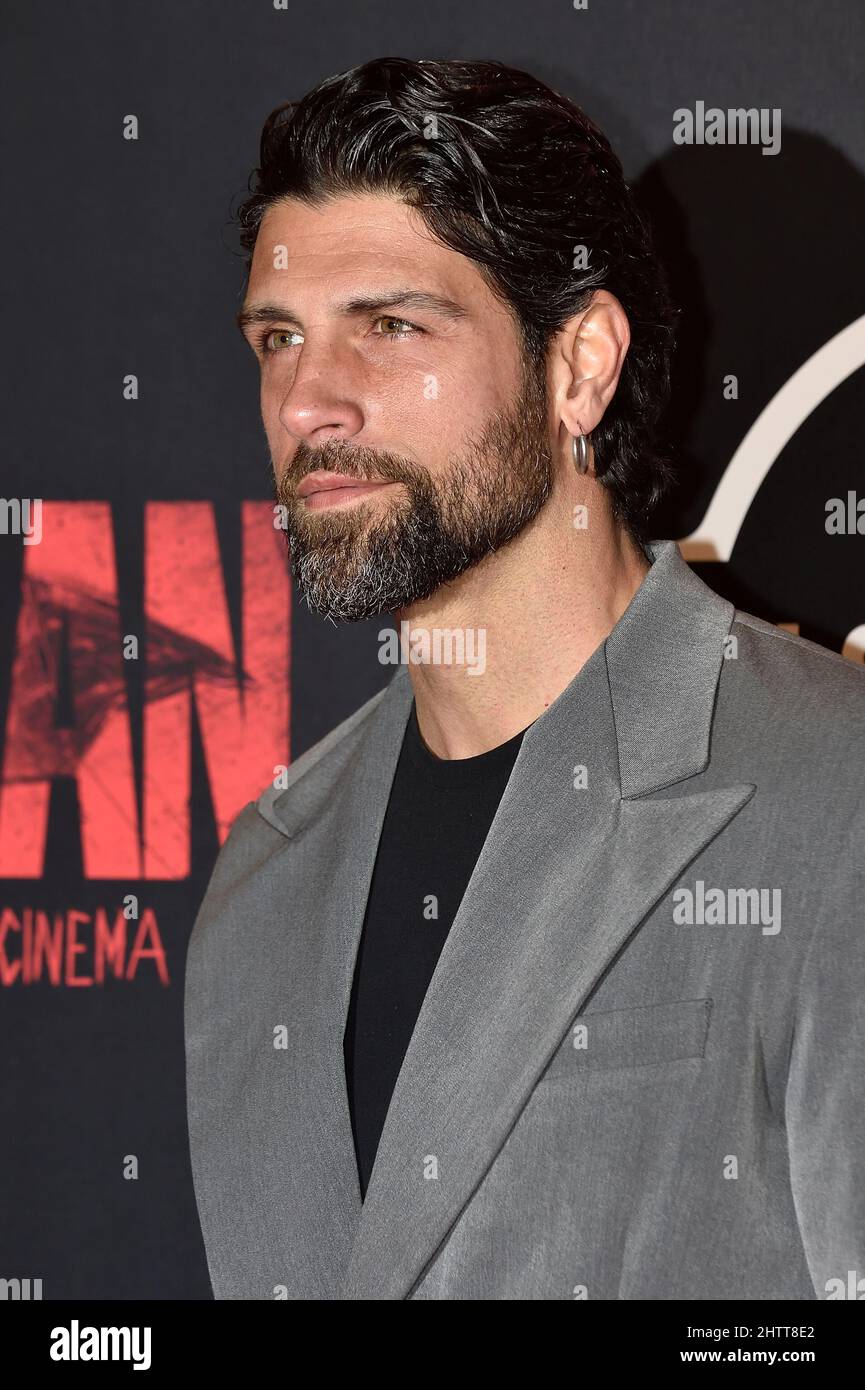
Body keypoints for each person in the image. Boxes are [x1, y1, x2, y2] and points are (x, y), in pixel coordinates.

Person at [185, 56, 865, 1300]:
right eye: (278, 337)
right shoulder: (262, 881)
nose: (309, 401)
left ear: (578, 367)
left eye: (390, 327)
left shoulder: (836, 790)